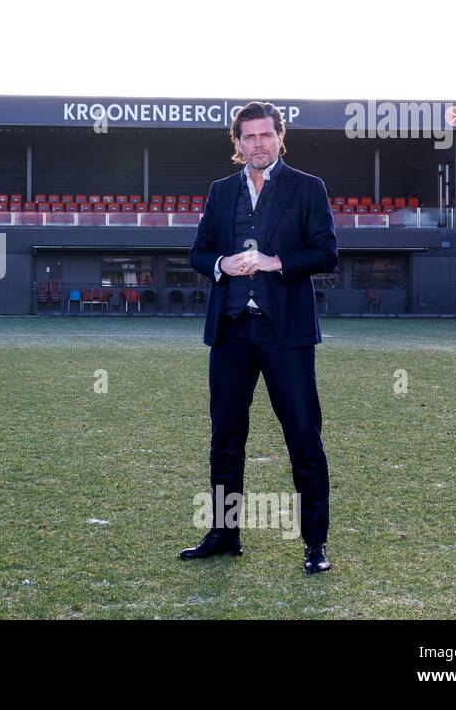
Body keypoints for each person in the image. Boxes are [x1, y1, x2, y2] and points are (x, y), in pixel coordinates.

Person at [182, 101, 339, 573]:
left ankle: (315, 543)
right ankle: (224, 534)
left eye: (265, 135)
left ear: (279, 137)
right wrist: (221, 264)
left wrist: (277, 262)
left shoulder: (308, 188)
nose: (257, 144)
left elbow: (326, 254)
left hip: (285, 333)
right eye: (248, 137)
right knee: (225, 438)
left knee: (302, 437)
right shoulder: (220, 190)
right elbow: (198, 251)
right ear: (237, 143)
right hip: (231, 331)